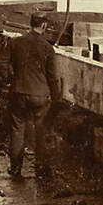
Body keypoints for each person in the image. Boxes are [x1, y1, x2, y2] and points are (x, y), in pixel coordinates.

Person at [5, 12, 61, 178]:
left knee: (17, 129)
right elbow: (52, 77)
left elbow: (1, 65)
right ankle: (41, 170)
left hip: (18, 92)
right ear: (43, 26)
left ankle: (15, 168)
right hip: (40, 95)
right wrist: (56, 98)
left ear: (30, 24)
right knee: (41, 131)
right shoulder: (48, 48)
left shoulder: (15, 42)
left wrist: (10, 80)